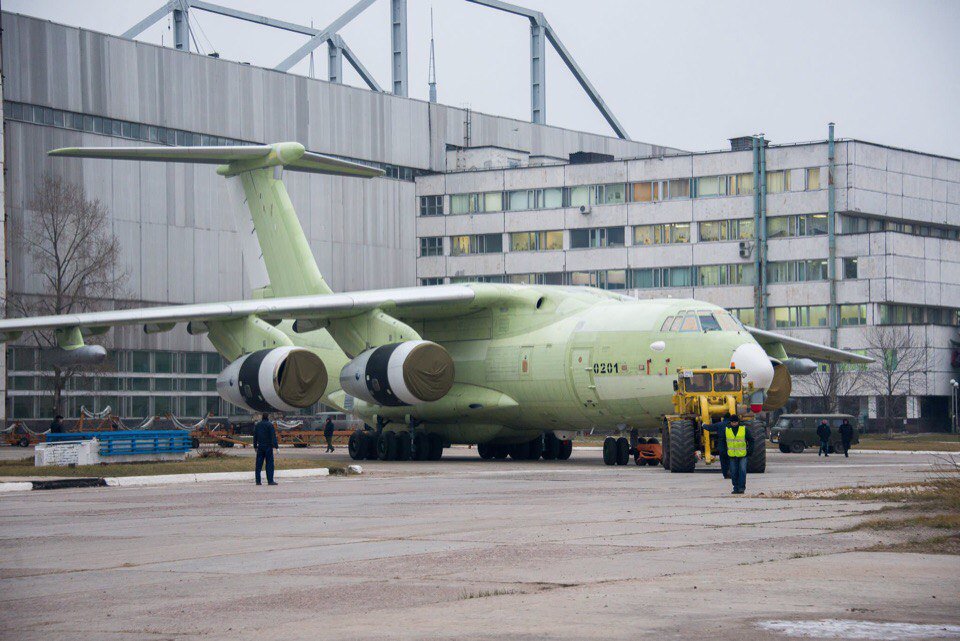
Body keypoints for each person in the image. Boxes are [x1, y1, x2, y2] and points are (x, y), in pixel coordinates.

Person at [719, 415, 754, 494]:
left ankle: (741, 488)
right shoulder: (726, 430)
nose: (734, 423)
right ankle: (735, 488)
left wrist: (750, 451)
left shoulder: (744, 429)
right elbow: (722, 441)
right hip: (732, 455)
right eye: (732, 422)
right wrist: (723, 451)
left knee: (742, 471)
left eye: (735, 422)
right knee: (733, 472)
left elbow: (751, 440)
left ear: (738, 422)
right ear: (730, 422)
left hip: (743, 455)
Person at [253, 413, 279, 486]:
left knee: (258, 464)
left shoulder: (258, 425)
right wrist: (276, 447)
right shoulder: (269, 425)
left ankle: (258, 481)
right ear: (268, 417)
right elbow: (273, 436)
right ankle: (270, 481)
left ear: (262, 417)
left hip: (260, 446)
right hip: (268, 447)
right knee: (269, 464)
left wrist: (255, 446)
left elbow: (255, 436)